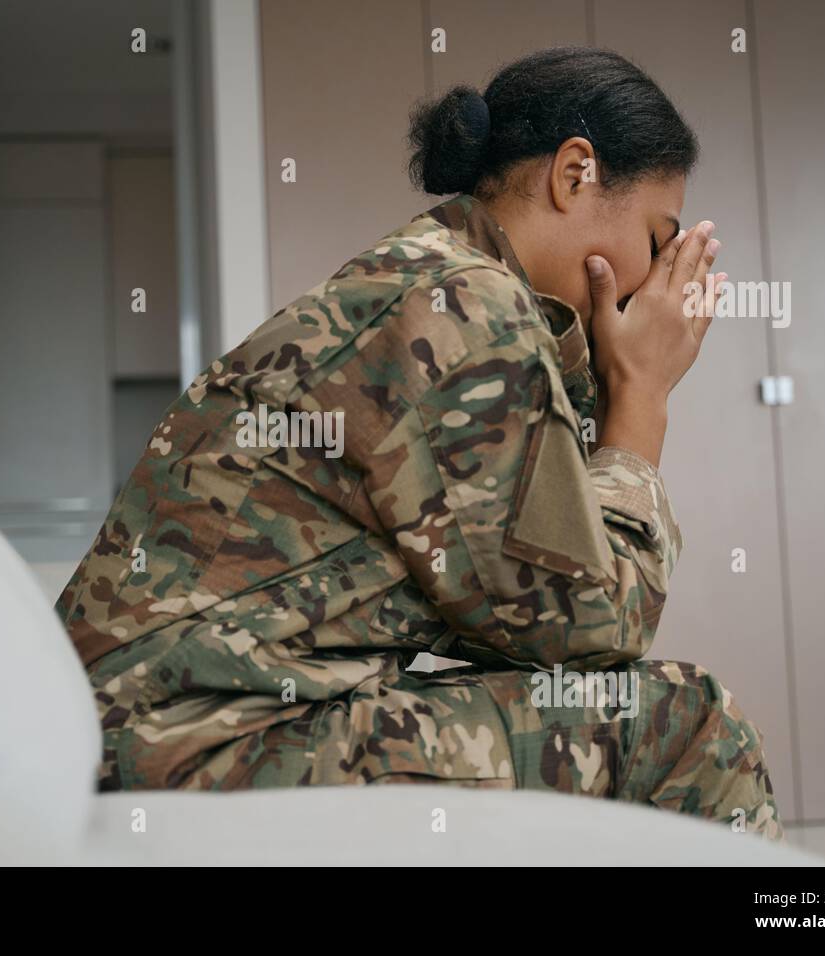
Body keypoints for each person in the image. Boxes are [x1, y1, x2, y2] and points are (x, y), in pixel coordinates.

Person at [58, 46, 784, 841]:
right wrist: (642, 398)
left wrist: (602, 376)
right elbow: (590, 631)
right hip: (194, 750)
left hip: (150, 732)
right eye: (656, 237)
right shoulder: (469, 311)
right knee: (687, 727)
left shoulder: (436, 280)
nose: (652, 280)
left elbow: (510, 612)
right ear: (575, 173)